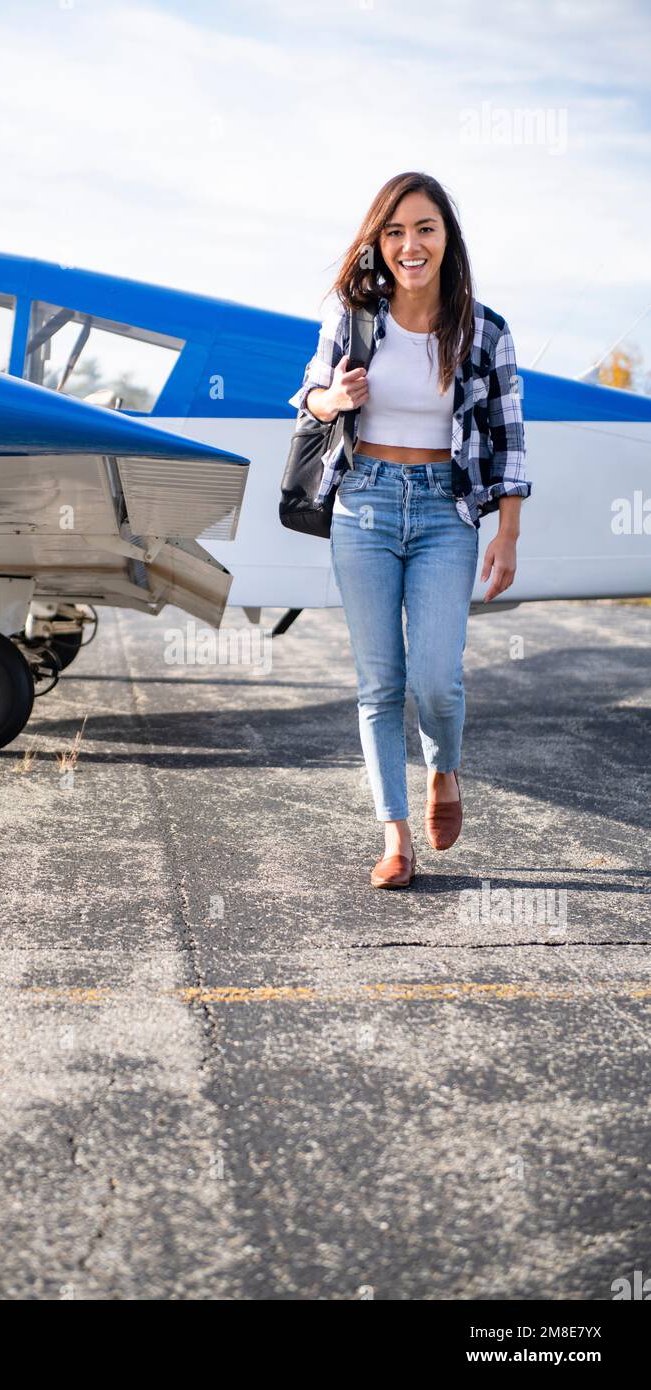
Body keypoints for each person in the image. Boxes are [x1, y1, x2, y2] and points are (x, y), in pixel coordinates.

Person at [288, 171, 532, 888]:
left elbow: (510, 435)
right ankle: (395, 839)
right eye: (394, 232)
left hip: (443, 510)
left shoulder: (485, 330)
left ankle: (445, 773)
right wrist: (332, 397)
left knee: (436, 680)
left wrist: (507, 532)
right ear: (380, 244)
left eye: (423, 228)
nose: (409, 244)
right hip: (362, 502)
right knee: (378, 684)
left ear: (446, 237)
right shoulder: (354, 316)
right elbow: (305, 396)